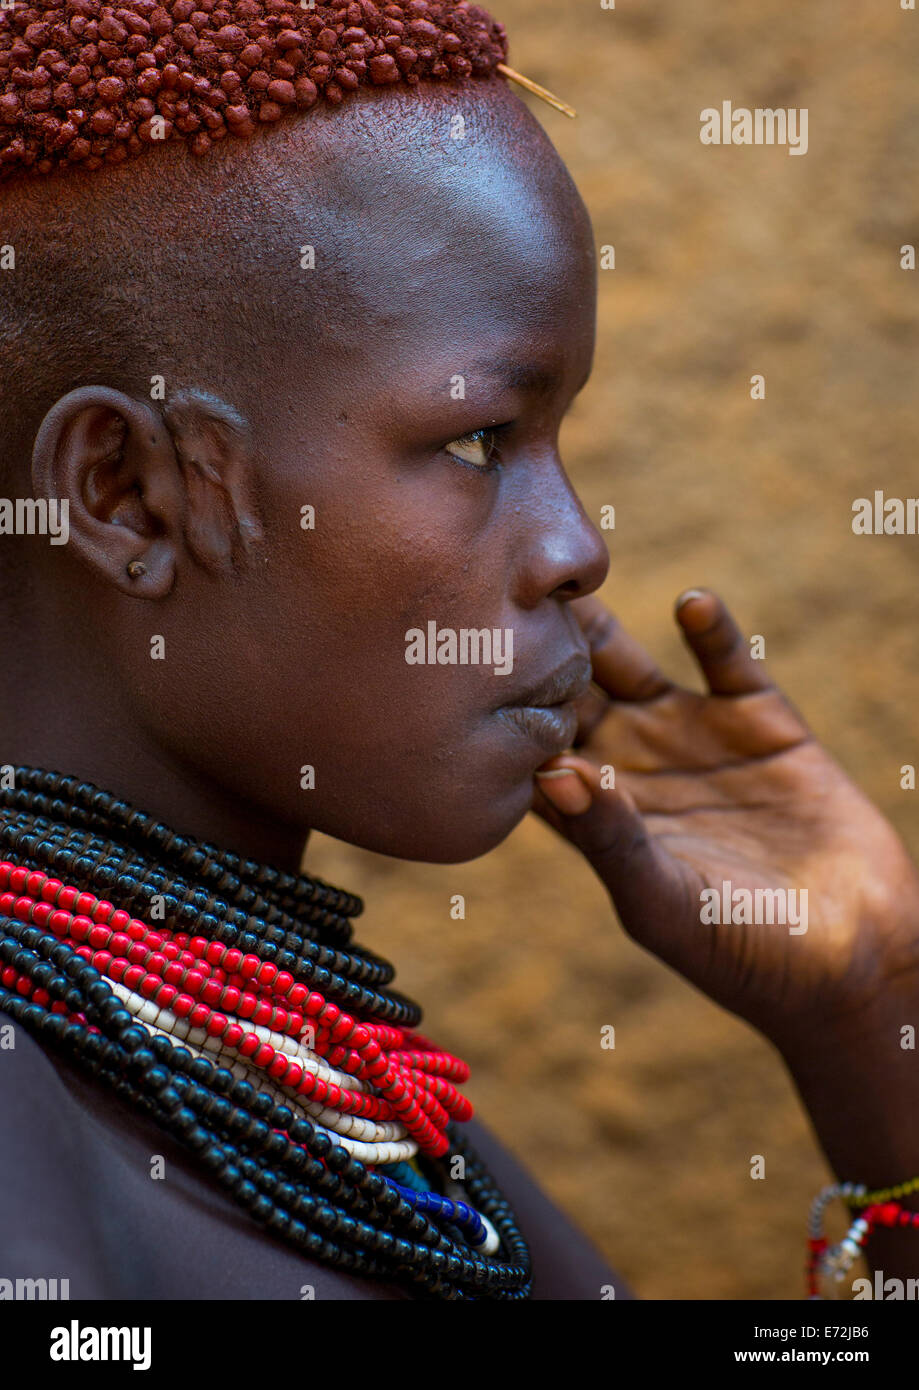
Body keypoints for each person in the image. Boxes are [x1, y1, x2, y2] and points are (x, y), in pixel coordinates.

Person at [1, 0, 917, 1301]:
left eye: (563, 441)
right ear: (126, 495)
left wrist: (867, 1019)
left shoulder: (335, 1111)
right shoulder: (36, 1128)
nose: (579, 549)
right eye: (481, 439)